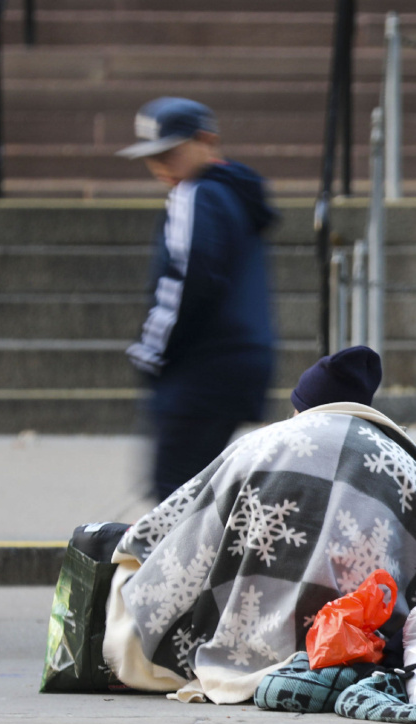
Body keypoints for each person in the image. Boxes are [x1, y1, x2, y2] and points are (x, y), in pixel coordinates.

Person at [103, 345, 416, 704]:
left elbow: (190, 537)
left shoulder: (261, 444)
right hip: (362, 651)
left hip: (243, 648)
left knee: (136, 568)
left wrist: (138, 545)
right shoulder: (405, 462)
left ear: (303, 406)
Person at [118, 97, 277, 503]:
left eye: (170, 153)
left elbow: (187, 277)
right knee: (200, 498)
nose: (161, 168)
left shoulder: (196, 195)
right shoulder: (235, 195)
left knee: (172, 499)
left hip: (198, 369)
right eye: (152, 159)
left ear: (206, 140)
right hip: (240, 361)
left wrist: (152, 348)